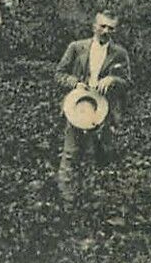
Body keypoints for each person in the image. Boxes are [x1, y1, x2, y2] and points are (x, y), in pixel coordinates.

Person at [54, 11, 131, 198]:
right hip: (78, 106)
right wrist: (75, 84)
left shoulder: (120, 53)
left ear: (115, 30)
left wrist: (113, 79)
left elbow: (128, 82)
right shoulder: (76, 47)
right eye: (102, 26)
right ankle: (67, 199)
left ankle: (93, 198)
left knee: (96, 154)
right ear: (94, 26)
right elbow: (59, 74)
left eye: (111, 28)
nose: (106, 31)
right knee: (70, 153)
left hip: (103, 110)